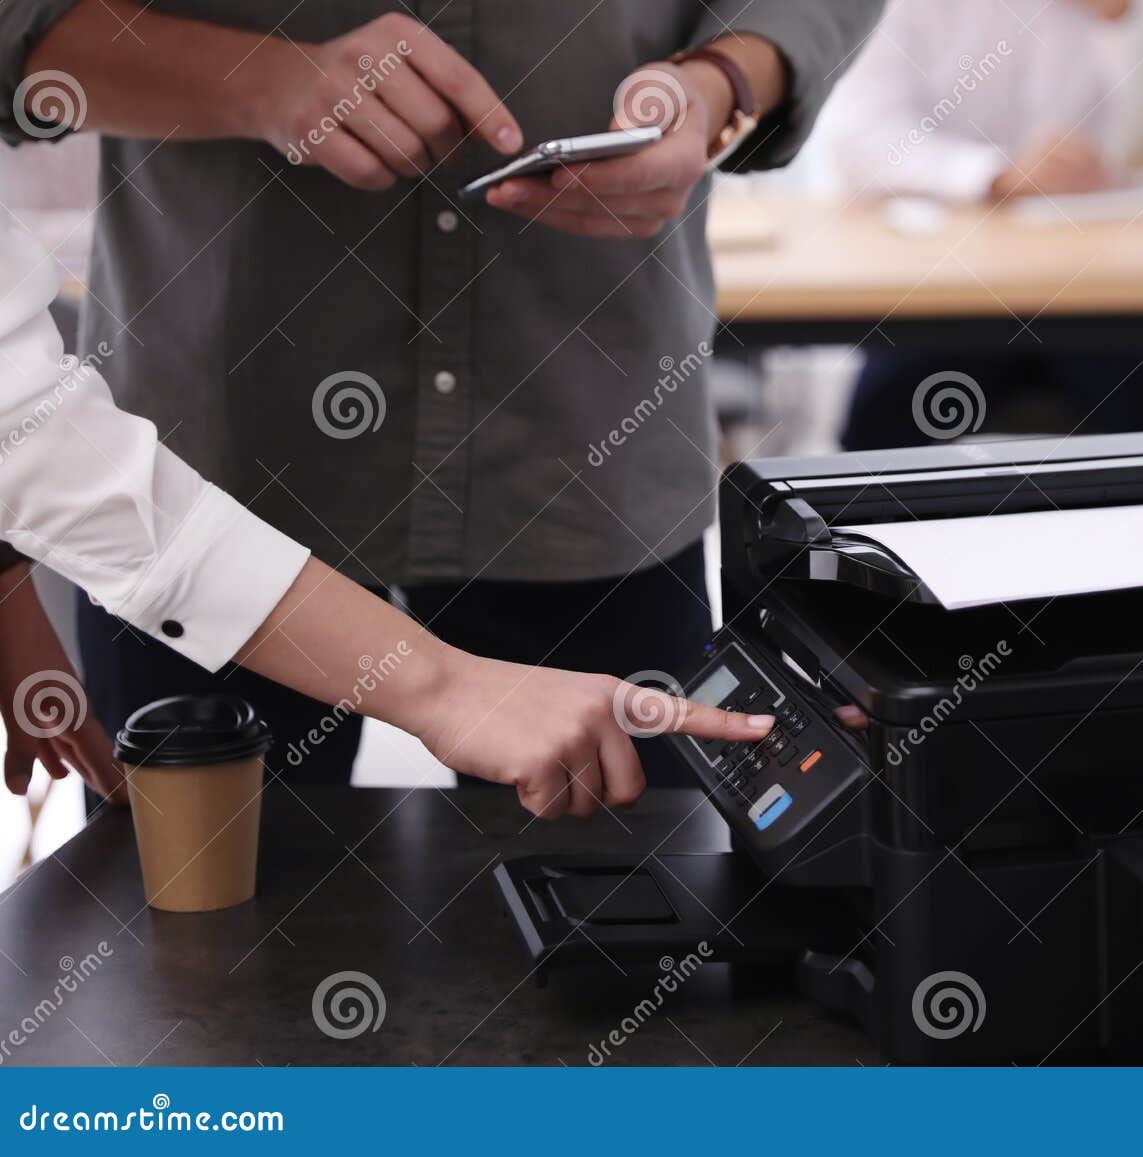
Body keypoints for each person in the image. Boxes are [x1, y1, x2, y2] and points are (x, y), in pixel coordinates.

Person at [0, 1, 880, 787]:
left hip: (591, 438)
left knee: (626, 924)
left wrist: (726, 79)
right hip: (211, 456)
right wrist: (261, 80)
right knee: (201, 944)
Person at [1, 220, 773, 816]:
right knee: (186, 953)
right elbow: (27, 430)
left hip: (579, 464)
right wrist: (449, 690)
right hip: (220, 444)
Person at [815, 0, 1143, 450]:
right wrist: (996, 175)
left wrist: (1119, 22)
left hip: (1118, 293)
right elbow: (858, 137)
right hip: (949, 294)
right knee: (877, 439)